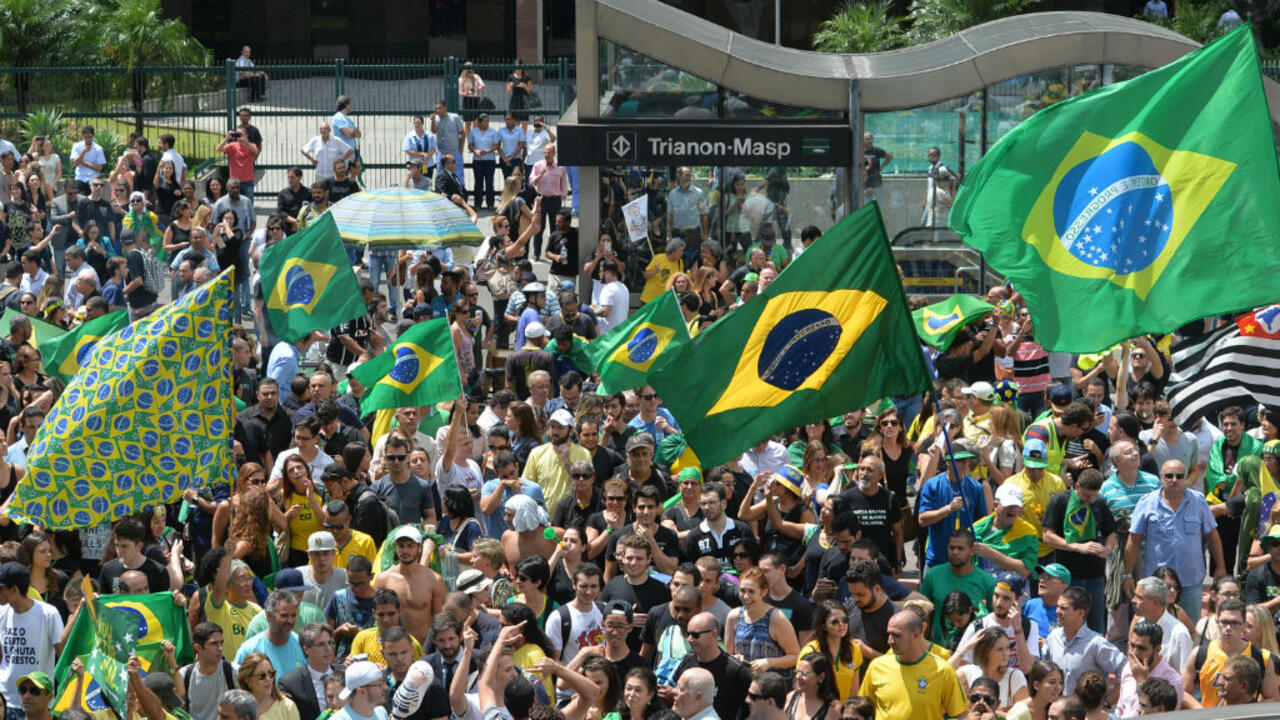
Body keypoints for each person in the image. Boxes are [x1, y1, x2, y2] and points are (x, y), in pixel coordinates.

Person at [1126, 458, 1226, 620]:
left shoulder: (1198, 500)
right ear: (1161, 477)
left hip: (1190, 580)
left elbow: (1212, 535)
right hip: (1156, 582)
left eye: (1179, 476)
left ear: (1185, 477)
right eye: (1169, 476)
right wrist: (1127, 575)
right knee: (1153, 628)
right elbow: (1134, 540)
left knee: (1190, 629)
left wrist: (1221, 566)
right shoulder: (1147, 502)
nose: (1174, 480)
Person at [859, 610, 966, 720]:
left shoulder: (943, 670)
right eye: (889, 634)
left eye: (896, 635)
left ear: (916, 635)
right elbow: (861, 710)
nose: (890, 641)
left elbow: (959, 715)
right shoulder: (877, 666)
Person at [1183, 597, 1279, 705]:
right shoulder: (1200, 654)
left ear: (1243, 625)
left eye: (1235, 623)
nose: (1228, 627)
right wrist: (1200, 710)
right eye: (1224, 622)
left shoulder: (1262, 657)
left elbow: (1273, 699)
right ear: (1216, 621)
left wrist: (1246, 712)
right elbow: (1182, 693)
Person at [0, 562, 63, 714]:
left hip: (37, 703)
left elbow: (62, 655)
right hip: (5, 701)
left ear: (14, 590)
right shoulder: (1, 613)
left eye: (1, 589)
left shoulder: (48, 614)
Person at [916, 440, 987, 567]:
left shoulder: (976, 487)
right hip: (938, 559)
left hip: (965, 561)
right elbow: (922, 520)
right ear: (948, 462)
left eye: (967, 459)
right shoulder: (932, 485)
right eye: (961, 460)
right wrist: (948, 509)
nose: (966, 463)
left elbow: (983, 522)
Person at [1044, 587, 1124, 694]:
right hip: (1057, 707)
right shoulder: (1053, 637)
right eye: (1057, 606)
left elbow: (1124, 669)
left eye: (1063, 608)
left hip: (1085, 709)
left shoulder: (1095, 643)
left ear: (1081, 613)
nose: (1057, 611)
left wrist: (1108, 703)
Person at [918, 530, 996, 640]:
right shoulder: (933, 575)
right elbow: (922, 612)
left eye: (960, 549)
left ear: (972, 551)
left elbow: (993, 620)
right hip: (939, 649)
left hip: (973, 650)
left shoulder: (988, 582)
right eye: (951, 548)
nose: (955, 552)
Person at [235, 590, 307, 678]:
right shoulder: (249, 650)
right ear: (269, 616)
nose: (290, 621)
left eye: (293, 615)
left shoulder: (303, 646)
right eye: (284, 615)